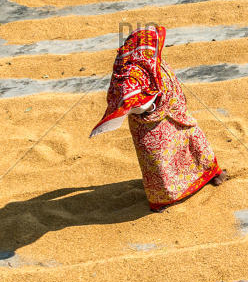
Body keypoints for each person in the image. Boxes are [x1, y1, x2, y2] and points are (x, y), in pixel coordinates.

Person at [90, 25, 225, 211]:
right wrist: (152, 106)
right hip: (151, 125)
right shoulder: (131, 75)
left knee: (188, 143)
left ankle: (209, 174)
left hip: (171, 115)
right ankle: (167, 197)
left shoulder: (150, 64)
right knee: (161, 160)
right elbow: (133, 103)